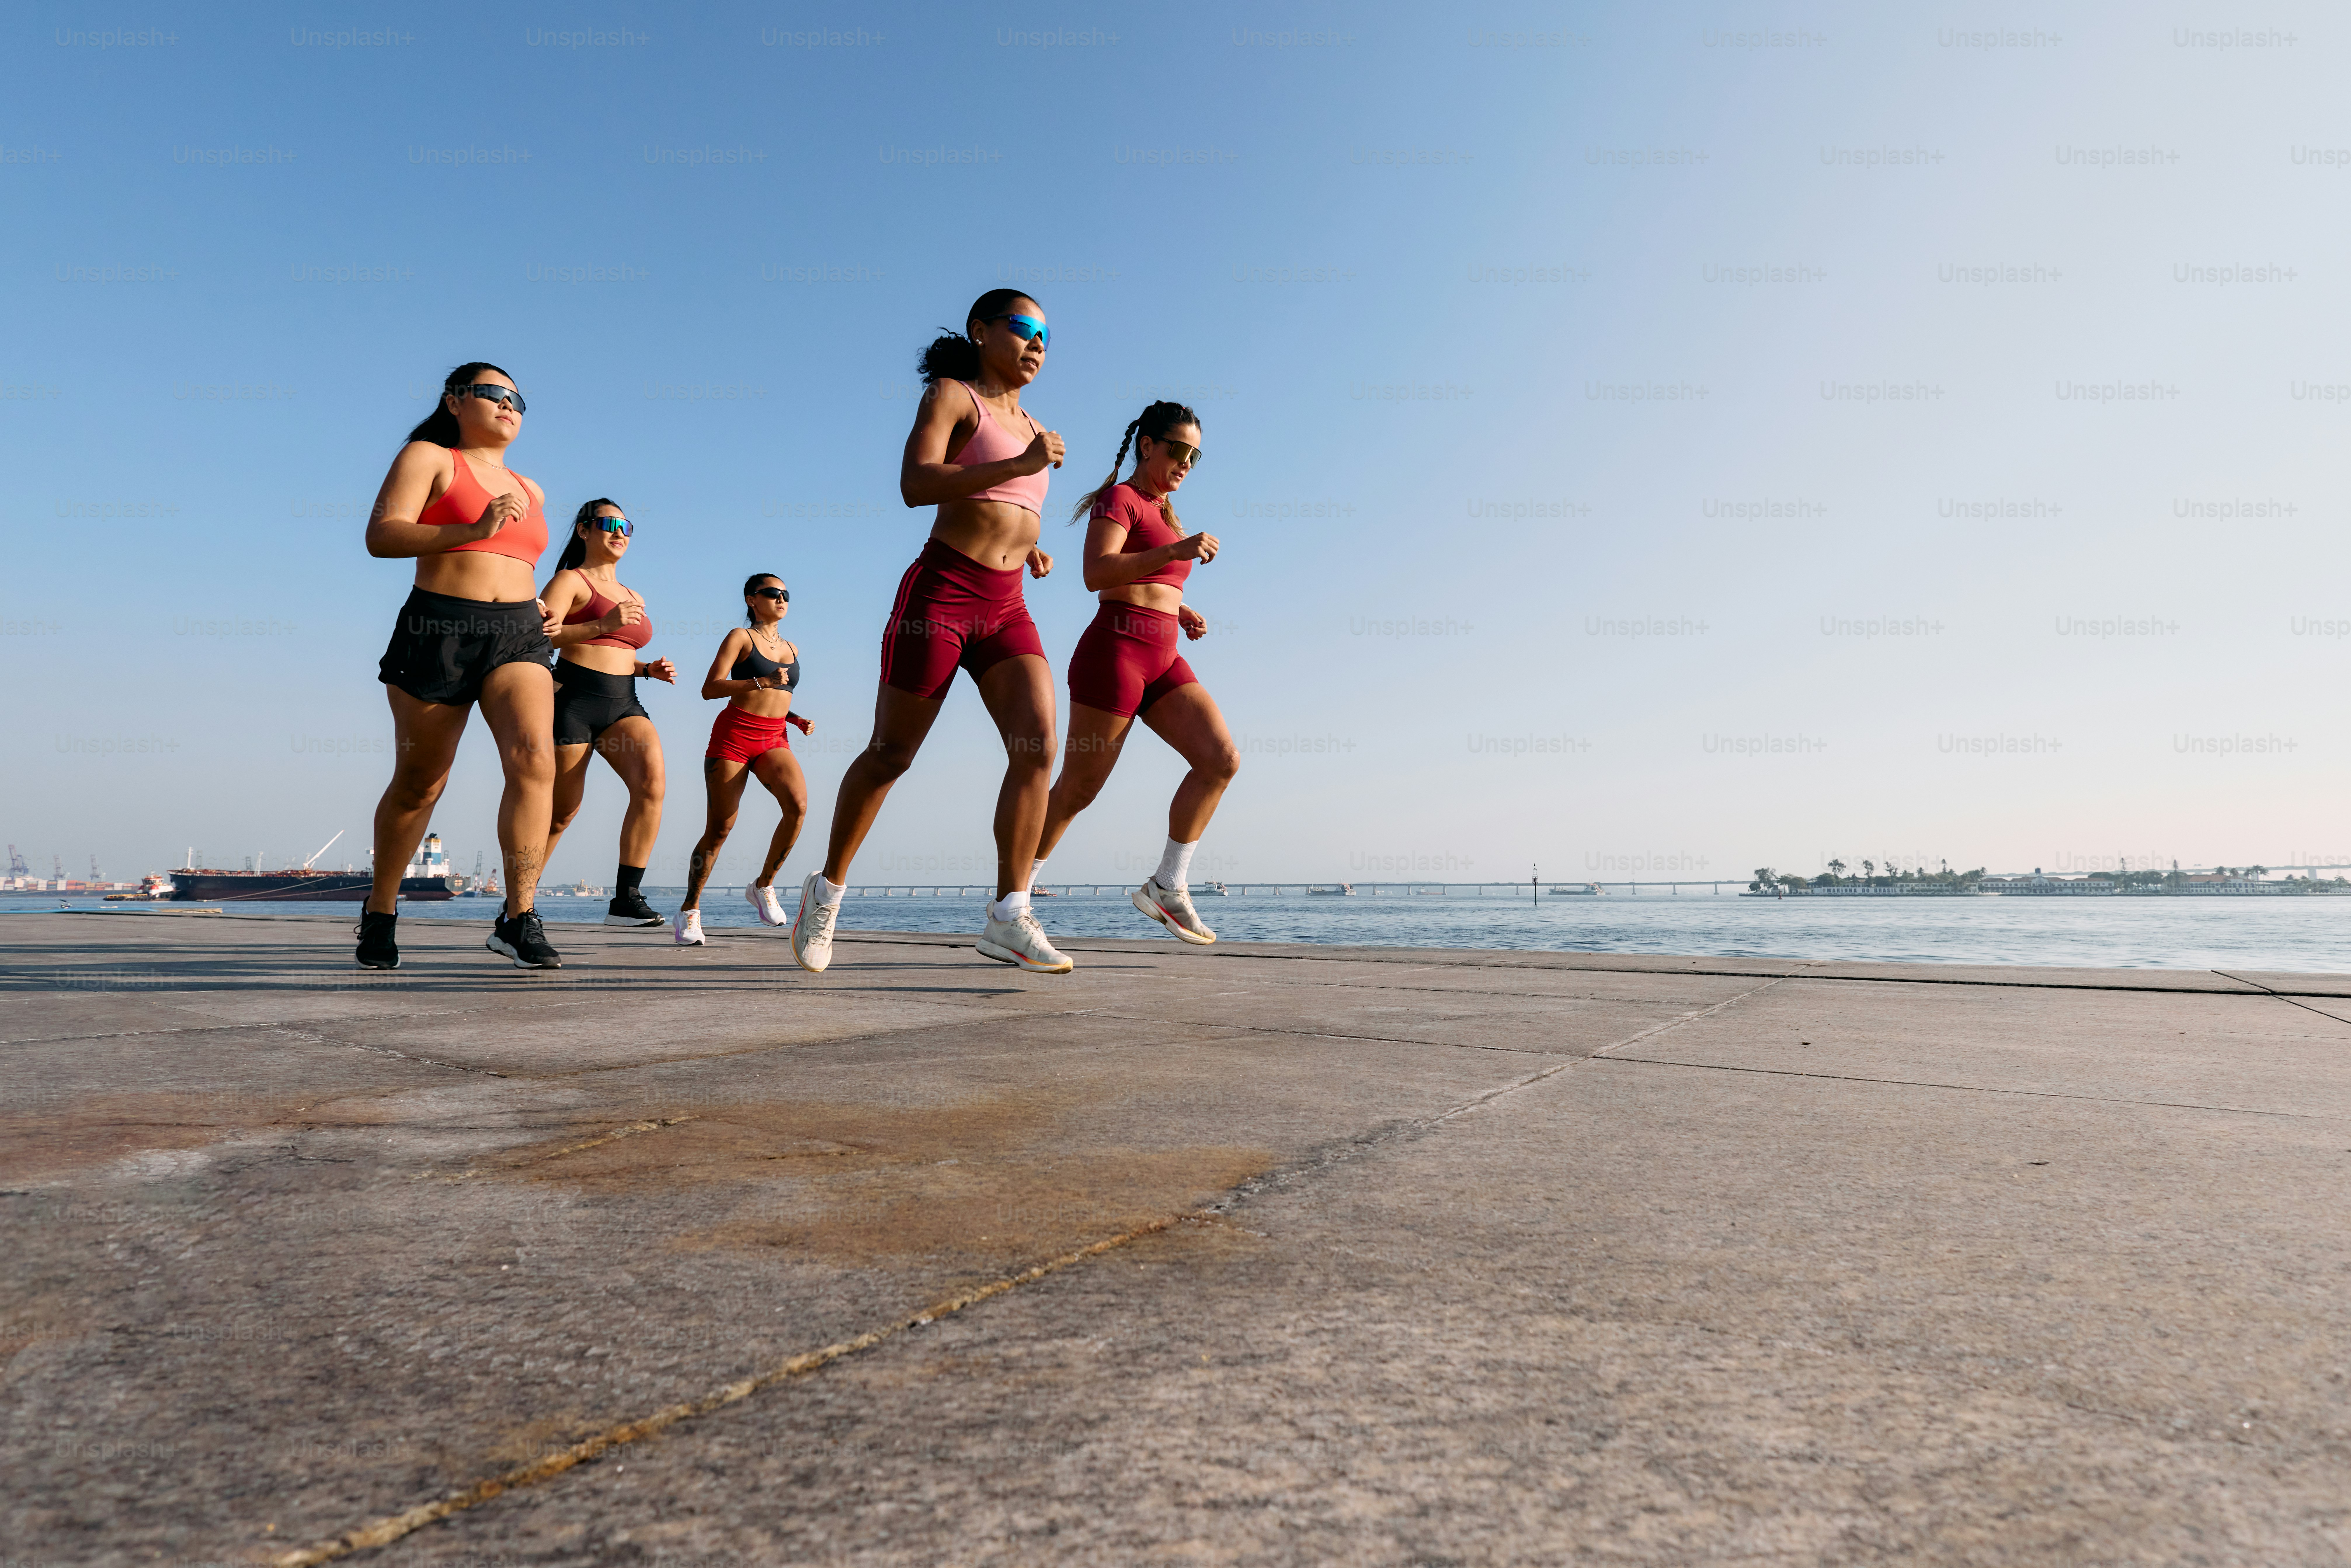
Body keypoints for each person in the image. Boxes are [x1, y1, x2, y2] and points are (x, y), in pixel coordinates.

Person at [790, 290, 1070, 975]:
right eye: (1023, 328)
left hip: (1007, 604)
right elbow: (917, 484)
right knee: (891, 753)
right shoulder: (952, 395)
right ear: (981, 331)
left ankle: (1010, 914)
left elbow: (1006, 506)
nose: (1037, 343)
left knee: (1038, 746)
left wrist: (1027, 541)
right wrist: (1019, 467)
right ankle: (825, 893)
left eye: (1047, 336)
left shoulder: (1033, 422)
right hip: (941, 594)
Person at [360, 362, 561, 970]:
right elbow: (383, 536)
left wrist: (542, 604)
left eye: (518, 399)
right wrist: (470, 529)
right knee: (422, 780)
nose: (510, 406)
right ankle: (381, 907)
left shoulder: (533, 489)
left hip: (519, 635)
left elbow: (515, 558)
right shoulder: (431, 456)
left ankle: (519, 915)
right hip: (438, 627)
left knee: (534, 757)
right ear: (455, 401)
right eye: (495, 394)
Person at [1032, 402, 1237, 944]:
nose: (1187, 462)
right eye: (1179, 450)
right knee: (1078, 789)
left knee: (1220, 761)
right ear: (1148, 445)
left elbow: (1153, 582)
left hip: (1163, 655)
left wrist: (1180, 609)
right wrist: (1176, 549)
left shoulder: (1167, 511)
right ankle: (1014, 897)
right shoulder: (1119, 499)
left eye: (1196, 455)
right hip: (1116, 652)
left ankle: (1167, 885)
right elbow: (1097, 572)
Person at [538, 499, 676, 928]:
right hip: (573, 701)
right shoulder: (570, 580)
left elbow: (613, 652)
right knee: (562, 812)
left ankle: (626, 898)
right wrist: (603, 623)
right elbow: (540, 636)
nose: (620, 533)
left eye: (627, 526)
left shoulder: (634, 594)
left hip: (624, 701)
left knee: (652, 784)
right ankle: (519, 901)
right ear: (584, 531)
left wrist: (646, 668)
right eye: (609, 524)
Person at [673, 574, 813, 946]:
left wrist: (794, 718)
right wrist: (761, 683)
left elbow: (775, 699)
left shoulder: (792, 647)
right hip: (734, 736)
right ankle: (690, 911)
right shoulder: (741, 637)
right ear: (753, 599)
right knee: (720, 829)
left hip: (774, 738)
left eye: (786, 594)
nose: (782, 599)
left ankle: (764, 885)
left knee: (798, 807)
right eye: (773, 593)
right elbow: (710, 689)